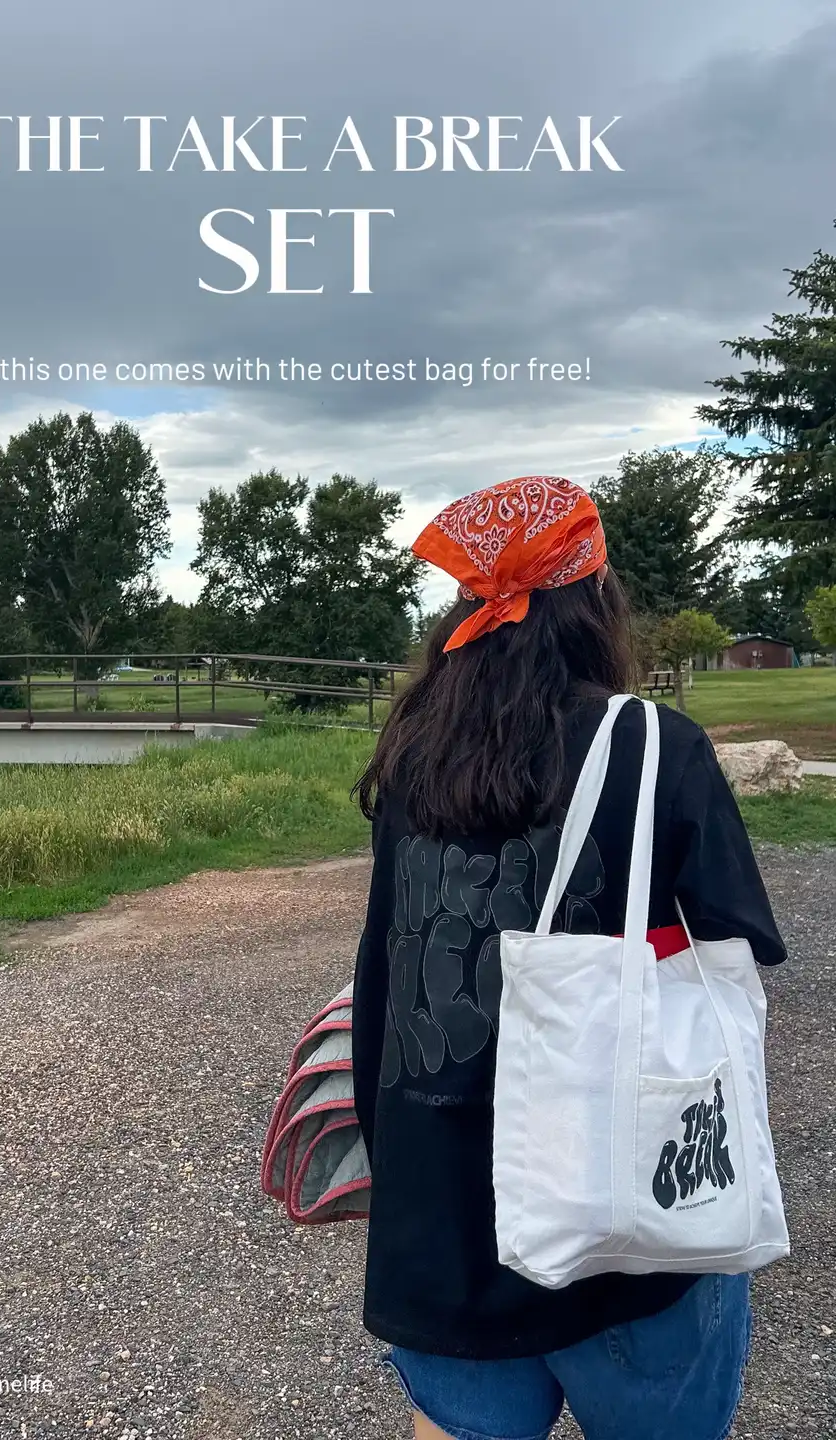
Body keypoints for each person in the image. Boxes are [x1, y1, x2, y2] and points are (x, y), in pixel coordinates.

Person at [349, 475, 786, 1440]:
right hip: (621, 1213)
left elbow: (383, 960)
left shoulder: (414, 751)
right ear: (596, 599)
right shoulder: (653, 744)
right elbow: (736, 942)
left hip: (439, 1211)